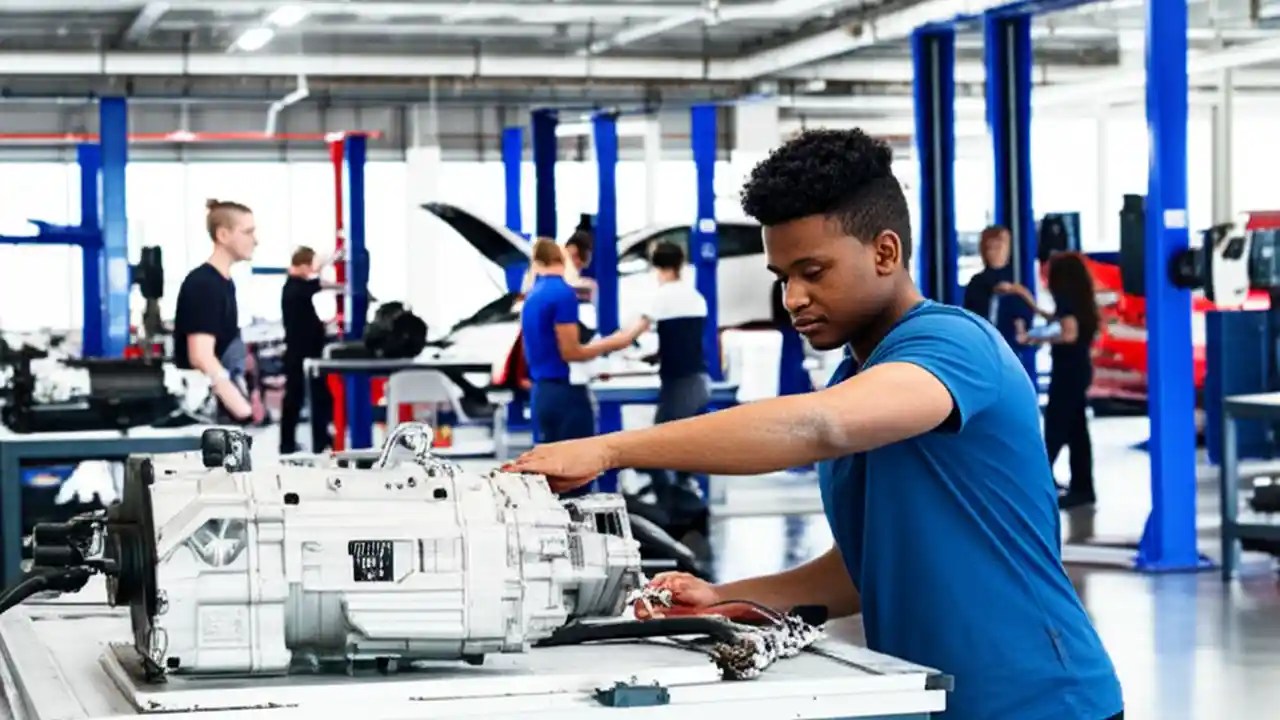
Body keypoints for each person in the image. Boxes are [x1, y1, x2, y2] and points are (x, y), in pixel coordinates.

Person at [503, 129, 1123, 720]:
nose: (792, 297)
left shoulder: (953, 345)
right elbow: (859, 570)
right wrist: (724, 598)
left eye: (813, 271)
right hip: (930, 699)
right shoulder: (855, 375)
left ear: (886, 251)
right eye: (782, 278)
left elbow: (819, 426)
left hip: (1043, 701)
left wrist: (610, 449)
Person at [520, 239, 642, 495]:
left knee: (547, 482)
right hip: (568, 397)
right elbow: (571, 351)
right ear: (561, 259)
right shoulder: (563, 294)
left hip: (542, 394)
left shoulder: (532, 296)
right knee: (577, 482)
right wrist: (616, 341)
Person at [1011, 252, 1101, 510]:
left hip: (1068, 373)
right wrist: (1028, 300)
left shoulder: (1069, 305)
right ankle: (1083, 488)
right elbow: (1060, 321)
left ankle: (1034, 484)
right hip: (1078, 371)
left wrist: (1034, 338)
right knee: (1076, 433)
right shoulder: (1080, 302)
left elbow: (1068, 333)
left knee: (1055, 428)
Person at [626, 241, 710, 515]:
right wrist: (657, 356)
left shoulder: (662, 296)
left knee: (652, 451)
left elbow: (630, 335)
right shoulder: (695, 296)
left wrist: (590, 351)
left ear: (655, 266)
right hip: (698, 381)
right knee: (683, 452)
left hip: (680, 385)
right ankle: (684, 506)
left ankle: (669, 514)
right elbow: (686, 340)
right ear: (681, 263)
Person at [173, 198, 260, 424]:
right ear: (223, 235)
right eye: (248, 232)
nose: (255, 240)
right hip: (201, 412)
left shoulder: (225, 282)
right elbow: (201, 355)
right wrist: (239, 405)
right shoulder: (204, 284)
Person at [279, 245, 344, 454]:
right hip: (300, 356)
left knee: (312, 399)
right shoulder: (294, 288)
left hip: (304, 354)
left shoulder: (296, 288)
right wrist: (328, 265)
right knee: (301, 400)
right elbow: (315, 285)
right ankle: (302, 443)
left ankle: (317, 441)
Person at [962, 225, 1031, 348]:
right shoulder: (979, 282)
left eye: (1004, 245)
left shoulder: (1016, 276)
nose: (1001, 251)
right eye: (994, 247)